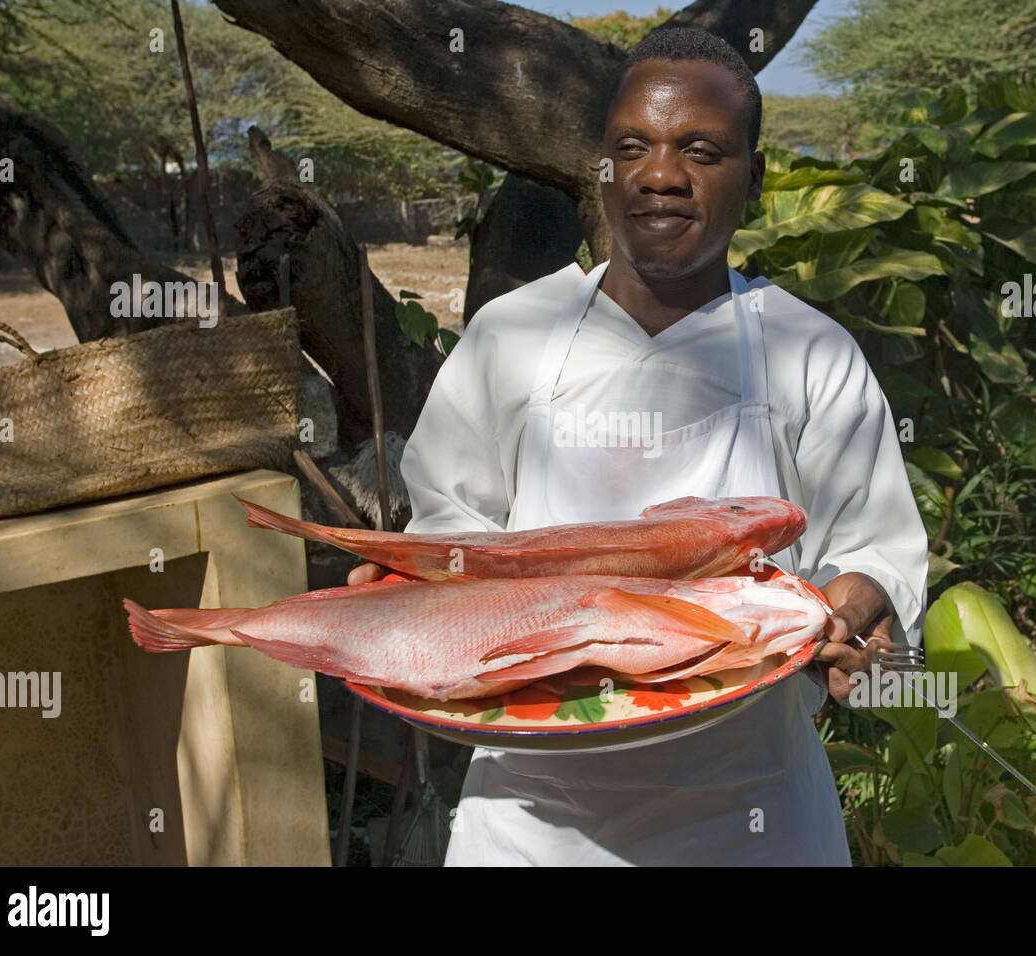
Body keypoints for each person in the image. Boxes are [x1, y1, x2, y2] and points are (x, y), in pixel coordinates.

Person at [348, 26, 929, 865]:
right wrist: (408, 586)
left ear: (755, 179)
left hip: (752, 816)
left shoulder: (810, 354)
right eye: (633, 147)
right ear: (605, 169)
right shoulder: (511, 339)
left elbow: (879, 562)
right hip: (529, 822)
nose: (661, 174)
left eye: (701, 149)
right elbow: (451, 535)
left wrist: (864, 611)